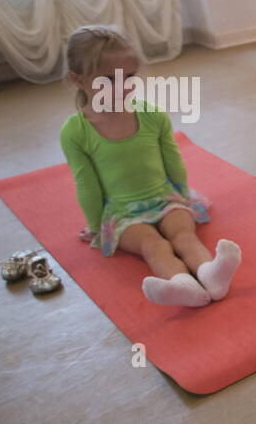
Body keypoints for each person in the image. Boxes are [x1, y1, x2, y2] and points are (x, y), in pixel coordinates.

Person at [60, 25, 240, 308]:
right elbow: (86, 184)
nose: (123, 86)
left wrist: (182, 194)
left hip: (165, 198)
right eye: (109, 79)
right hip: (123, 213)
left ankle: (212, 274)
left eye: (129, 76)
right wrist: (96, 227)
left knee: (183, 235)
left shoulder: (151, 115)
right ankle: (183, 285)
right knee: (153, 245)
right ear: (78, 80)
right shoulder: (75, 132)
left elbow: (172, 159)